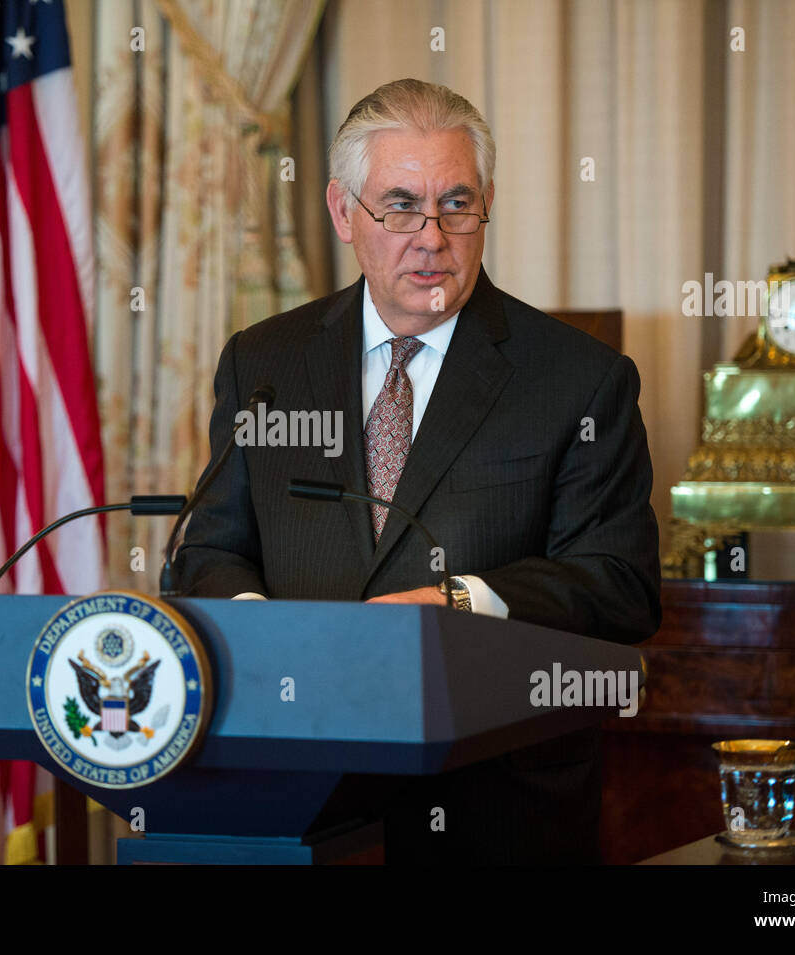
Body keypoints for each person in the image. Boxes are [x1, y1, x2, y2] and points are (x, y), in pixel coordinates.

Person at [174, 78, 661, 864]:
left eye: (456, 205)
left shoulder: (579, 380)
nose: (430, 236)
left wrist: (457, 602)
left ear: (487, 206)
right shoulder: (264, 363)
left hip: (496, 808)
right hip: (296, 790)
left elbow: (619, 582)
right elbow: (208, 550)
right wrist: (265, 629)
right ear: (343, 212)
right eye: (399, 205)